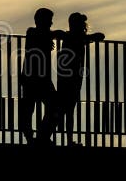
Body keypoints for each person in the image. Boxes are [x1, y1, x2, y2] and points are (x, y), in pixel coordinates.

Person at [37, 12, 104, 146]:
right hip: (70, 78)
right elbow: (100, 36)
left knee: (64, 109)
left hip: (70, 77)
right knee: (65, 109)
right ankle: (51, 137)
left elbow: (100, 36)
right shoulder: (76, 37)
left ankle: (54, 137)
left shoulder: (73, 37)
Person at [19, 8, 63, 145]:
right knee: (28, 109)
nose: (51, 23)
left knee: (54, 106)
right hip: (32, 78)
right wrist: (53, 35)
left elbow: (51, 34)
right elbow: (44, 34)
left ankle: (41, 137)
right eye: (49, 20)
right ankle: (32, 138)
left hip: (41, 79)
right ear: (41, 20)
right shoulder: (32, 32)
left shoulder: (44, 34)